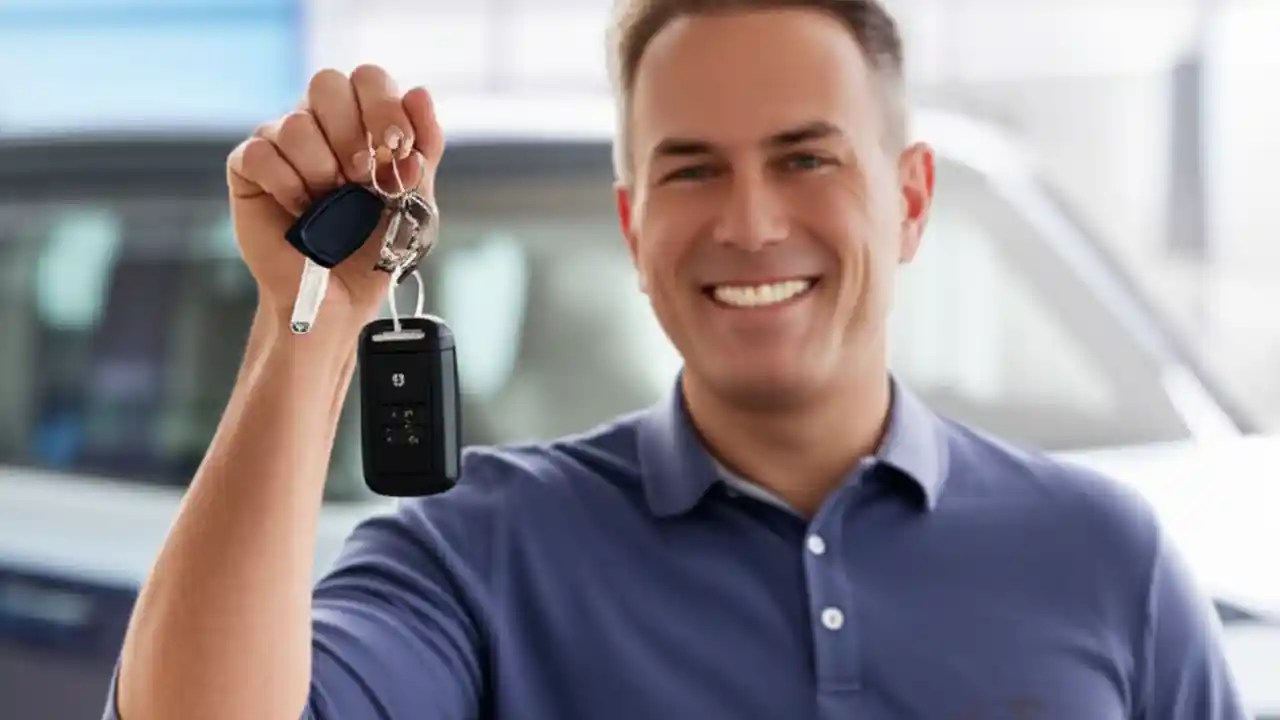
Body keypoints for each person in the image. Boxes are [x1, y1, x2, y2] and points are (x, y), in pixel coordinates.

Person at [106, 1, 1249, 718]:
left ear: (906, 201)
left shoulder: (1110, 562)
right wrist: (309, 312)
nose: (749, 223)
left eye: (805, 160)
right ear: (631, 226)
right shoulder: (475, 557)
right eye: (692, 170)